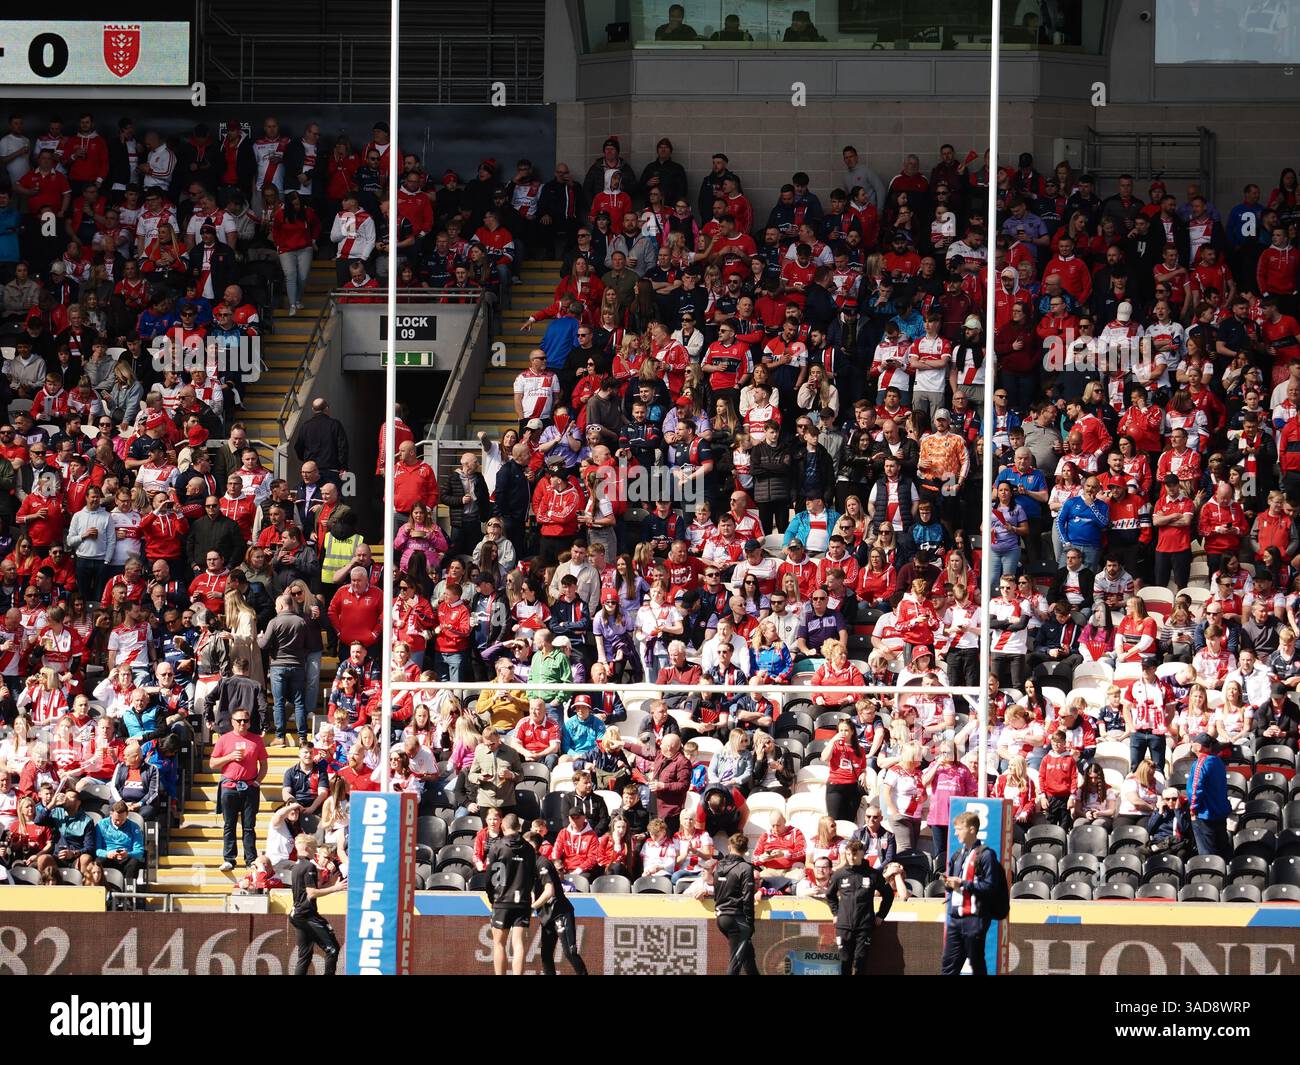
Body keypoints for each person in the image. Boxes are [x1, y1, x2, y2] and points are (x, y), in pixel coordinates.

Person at [939, 811, 1006, 976]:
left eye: (959, 829)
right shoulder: (957, 855)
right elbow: (954, 886)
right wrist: (949, 884)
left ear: (971, 829)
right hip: (955, 918)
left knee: (977, 965)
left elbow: (990, 886)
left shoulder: (985, 855)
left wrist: (963, 883)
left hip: (975, 918)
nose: (955, 833)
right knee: (948, 967)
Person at [208, 705, 268, 870]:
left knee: (249, 826)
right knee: (229, 825)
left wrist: (257, 782)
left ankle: (250, 860)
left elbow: (263, 765)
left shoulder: (256, 740)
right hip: (229, 786)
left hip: (249, 786)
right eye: (239, 720)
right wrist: (230, 757)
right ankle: (229, 858)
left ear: (249, 723)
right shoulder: (224, 739)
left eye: (245, 720)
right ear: (232, 722)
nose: (242, 723)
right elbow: (212, 763)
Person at [825, 838, 895, 976]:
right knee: (845, 961)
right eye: (849, 854)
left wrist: (881, 915)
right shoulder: (839, 874)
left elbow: (888, 895)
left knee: (860, 961)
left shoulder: (873, 874)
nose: (851, 858)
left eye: (855, 854)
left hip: (864, 926)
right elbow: (830, 895)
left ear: (862, 853)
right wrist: (835, 913)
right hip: (844, 926)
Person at [526, 829, 588, 976]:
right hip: (546, 915)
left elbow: (549, 892)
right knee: (546, 954)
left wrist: (532, 907)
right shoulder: (528, 864)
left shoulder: (543, 863)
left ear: (532, 846)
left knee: (570, 952)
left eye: (524, 843)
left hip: (560, 913)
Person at [485, 813, 536, 976]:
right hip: (522, 901)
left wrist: (491, 897)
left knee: (499, 943)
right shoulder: (529, 848)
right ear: (519, 827)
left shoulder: (497, 846)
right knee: (519, 943)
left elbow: (490, 877)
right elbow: (532, 875)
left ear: (503, 826)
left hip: (502, 900)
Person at [289, 832, 346, 976]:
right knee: (332, 949)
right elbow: (311, 893)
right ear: (308, 848)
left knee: (304, 956)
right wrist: (335, 888)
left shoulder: (296, 866)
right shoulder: (308, 866)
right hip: (307, 915)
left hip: (297, 914)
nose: (315, 851)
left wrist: (330, 884)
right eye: (314, 848)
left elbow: (307, 891)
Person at [713, 831, 759, 976]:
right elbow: (748, 898)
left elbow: (716, 892)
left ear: (729, 847)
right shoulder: (745, 868)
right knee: (736, 963)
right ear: (746, 850)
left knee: (748, 957)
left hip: (722, 918)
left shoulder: (719, 866)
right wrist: (750, 923)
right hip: (738, 920)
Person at [1187, 731, 1231, 858]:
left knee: (1208, 854)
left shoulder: (1202, 762)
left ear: (1199, 747)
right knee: (1222, 850)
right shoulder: (1218, 761)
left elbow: (1196, 787)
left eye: (1193, 743)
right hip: (1220, 811)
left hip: (1206, 813)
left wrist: (1193, 809)